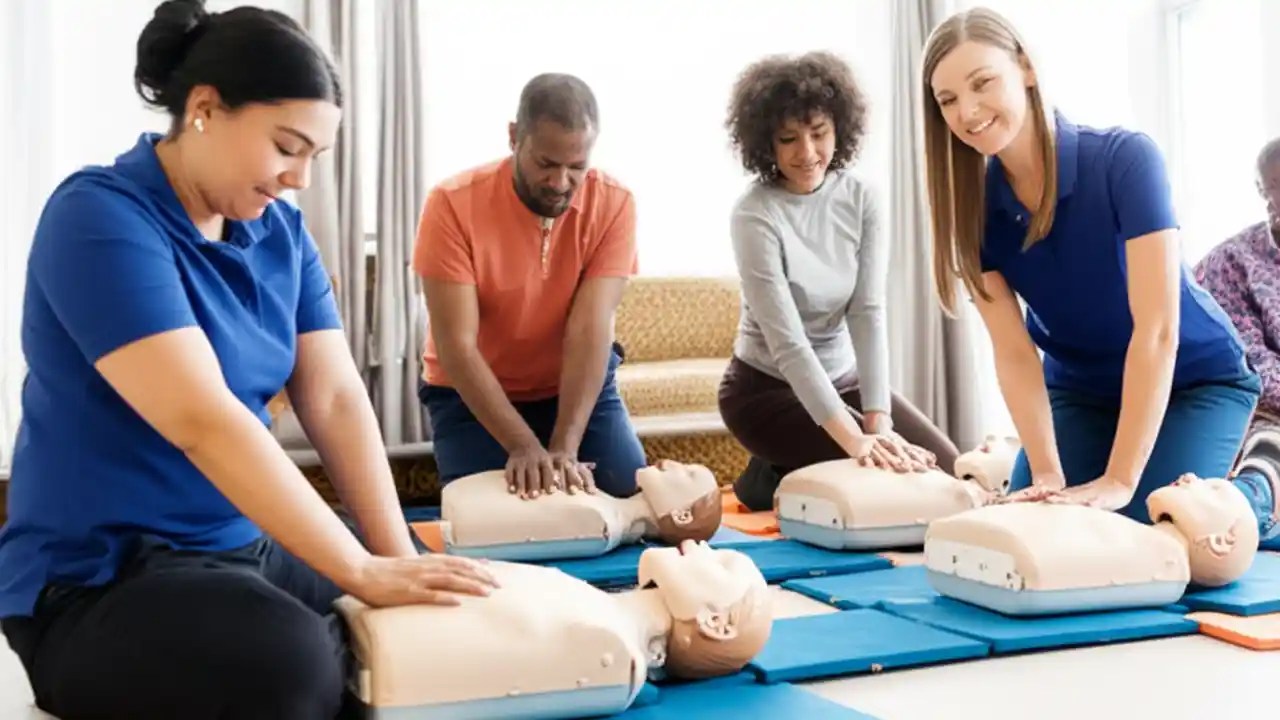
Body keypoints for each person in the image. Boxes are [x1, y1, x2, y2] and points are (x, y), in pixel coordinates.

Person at [0, 2, 497, 718]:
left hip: (239, 550)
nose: (299, 178)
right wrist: (357, 569)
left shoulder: (281, 235)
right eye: (287, 147)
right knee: (296, 668)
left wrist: (399, 563)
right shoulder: (97, 217)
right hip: (101, 580)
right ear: (204, 109)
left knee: (433, 623)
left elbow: (333, 399)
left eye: (314, 159)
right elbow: (202, 419)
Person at [920, 7, 1270, 534]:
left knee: (1161, 529)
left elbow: (1157, 332)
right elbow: (1014, 353)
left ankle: (1263, 479)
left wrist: (1121, 480)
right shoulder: (971, 212)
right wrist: (1044, 471)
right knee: (1041, 526)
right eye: (948, 100)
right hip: (1081, 390)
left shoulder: (1126, 160)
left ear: (1026, 69)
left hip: (1192, 380)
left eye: (982, 83)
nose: (967, 111)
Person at [717, 50, 961, 512]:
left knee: (945, 467)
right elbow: (789, 344)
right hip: (764, 391)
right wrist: (856, 442)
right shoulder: (754, 214)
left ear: (839, 129)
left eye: (818, 134)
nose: (806, 153)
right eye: (788, 139)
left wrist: (878, 420)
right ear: (765, 144)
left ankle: (781, 468)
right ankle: (770, 474)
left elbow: (867, 312)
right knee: (891, 480)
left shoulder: (862, 198)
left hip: (841, 377)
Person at [413, 73, 646, 501]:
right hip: (471, 392)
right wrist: (522, 445)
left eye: (576, 167)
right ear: (514, 137)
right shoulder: (450, 203)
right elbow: (456, 346)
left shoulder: (615, 203)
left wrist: (565, 450)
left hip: (568, 387)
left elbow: (591, 328)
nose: (560, 183)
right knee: (491, 515)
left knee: (624, 493)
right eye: (546, 163)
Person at [1193, 136, 1280, 549]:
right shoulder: (1229, 264)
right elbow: (1251, 365)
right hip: (1261, 413)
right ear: (1266, 195)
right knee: (1270, 449)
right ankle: (1246, 511)